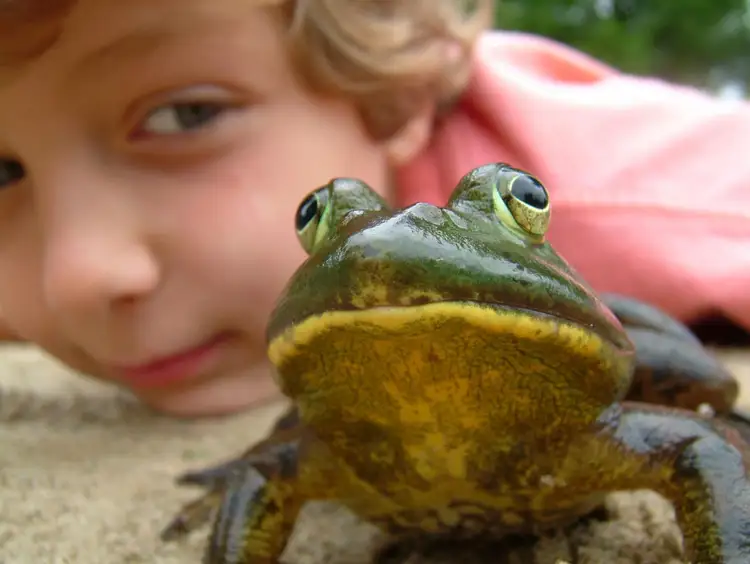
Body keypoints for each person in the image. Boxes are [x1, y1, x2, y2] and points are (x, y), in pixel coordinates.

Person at [0, 0, 747, 417]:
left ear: (393, 101)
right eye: (4, 172)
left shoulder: (630, 210)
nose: (80, 278)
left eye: (185, 116)